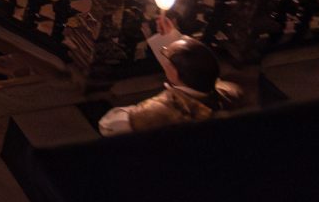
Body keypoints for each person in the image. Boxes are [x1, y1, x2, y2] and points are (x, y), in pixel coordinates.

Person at [98, 17, 240, 134]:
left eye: (166, 52)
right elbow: (190, 61)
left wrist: (131, 110)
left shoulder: (157, 112)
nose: (164, 51)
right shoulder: (228, 91)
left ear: (175, 72)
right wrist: (170, 36)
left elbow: (108, 126)